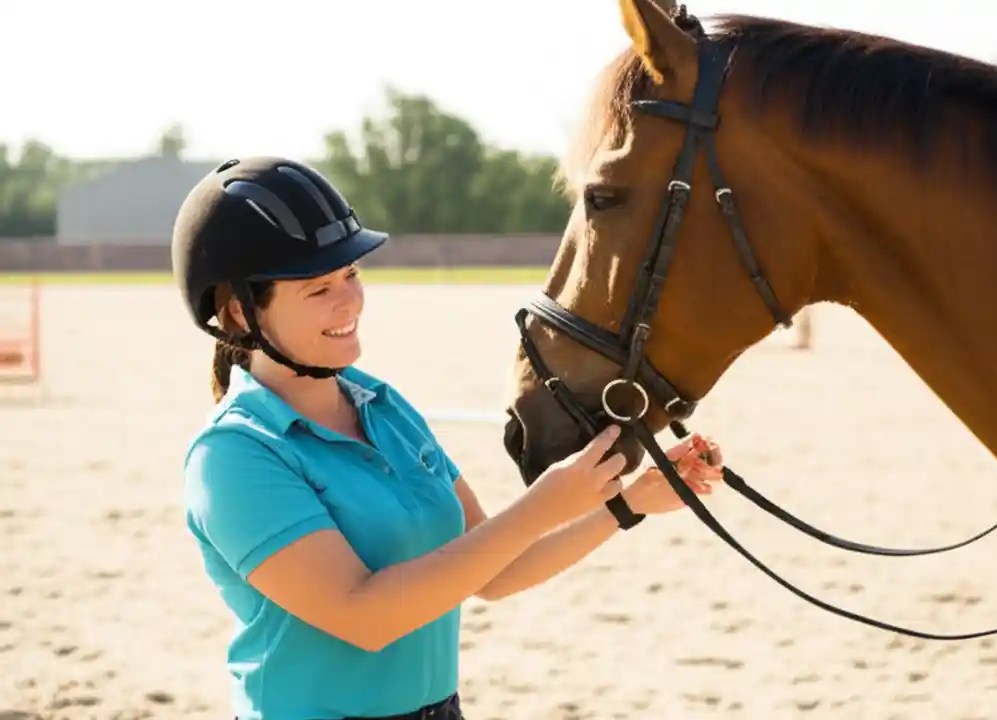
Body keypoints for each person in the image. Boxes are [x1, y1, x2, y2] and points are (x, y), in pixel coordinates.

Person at [173, 156, 725, 720]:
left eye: (351, 276)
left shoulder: (384, 407)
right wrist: (541, 507)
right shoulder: (234, 456)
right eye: (319, 289)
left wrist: (629, 503)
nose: (350, 303)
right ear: (239, 312)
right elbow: (364, 617)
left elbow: (495, 570)